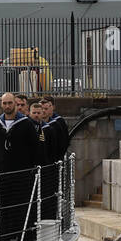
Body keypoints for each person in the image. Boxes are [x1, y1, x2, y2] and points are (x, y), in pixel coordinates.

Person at [0, 91, 43, 241]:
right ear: (1, 104)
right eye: (4, 103)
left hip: (22, 173)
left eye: (10, 103)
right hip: (3, 173)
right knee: (3, 209)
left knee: (23, 209)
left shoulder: (26, 123)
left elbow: (35, 147)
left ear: (15, 104)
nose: (7, 106)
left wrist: (29, 167)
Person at [37, 95, 70, 224]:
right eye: (41, 109)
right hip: (40, 165)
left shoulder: (56, 123)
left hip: (53, 164)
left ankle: (54, 220)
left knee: (53, 194)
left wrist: (56, 159)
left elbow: (63, 143)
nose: (44, 111)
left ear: (52, 107)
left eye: (46, 108)